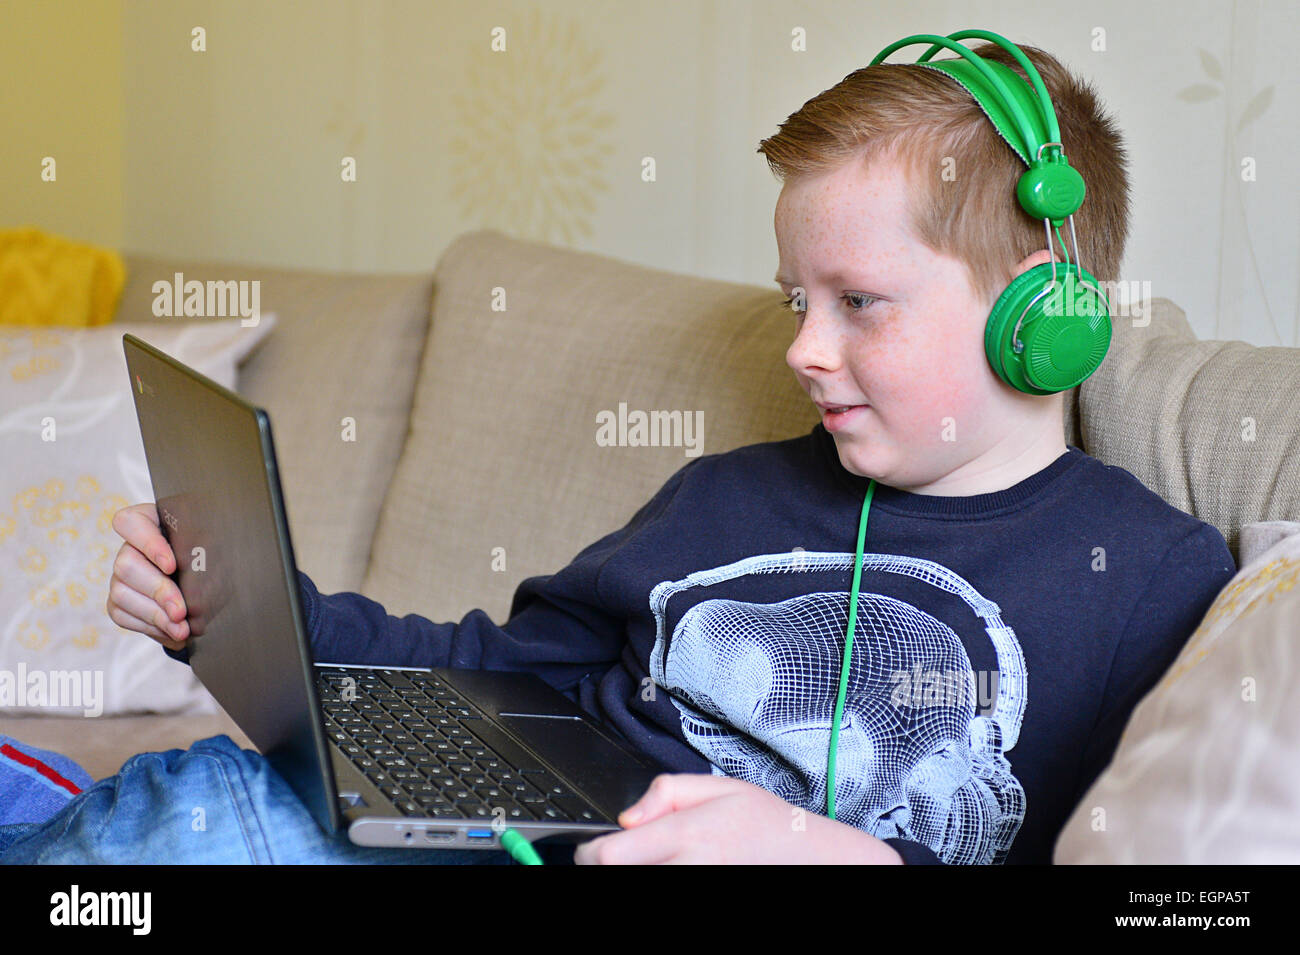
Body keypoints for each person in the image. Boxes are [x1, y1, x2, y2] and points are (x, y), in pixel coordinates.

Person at [0, 35, 1235, 864]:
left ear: (1043, 313)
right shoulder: (727, 498)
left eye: (857, 301)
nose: (803, 348)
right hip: (476, 833)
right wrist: (244, 608)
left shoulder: (1141, 578)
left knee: (201, 823)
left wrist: (837, 850)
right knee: (209, 801)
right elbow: (492, 674)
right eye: (790, 298)